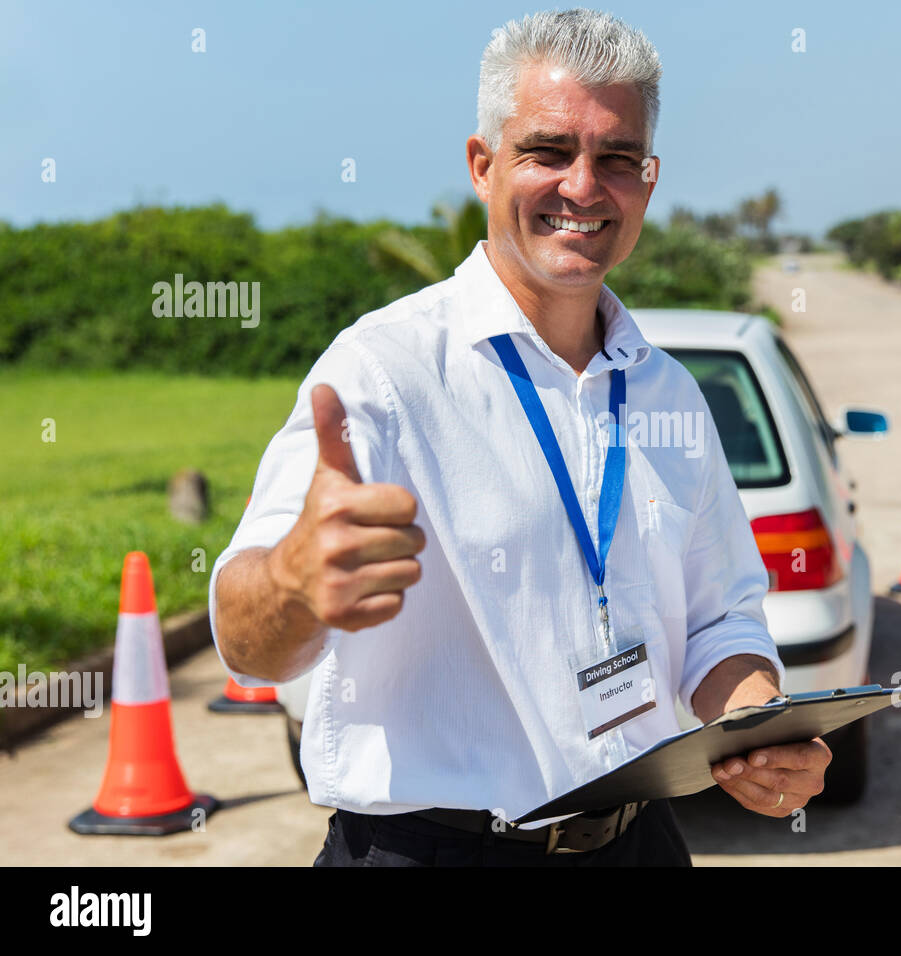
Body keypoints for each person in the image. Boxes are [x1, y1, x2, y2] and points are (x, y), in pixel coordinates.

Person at [209, 7, 831, 867]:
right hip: (430, 852)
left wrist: (758, 727)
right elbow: (245, 638)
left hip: (637, 842)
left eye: (616, 159)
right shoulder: (384, 372)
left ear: (647, 182)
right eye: (549, 150)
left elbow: (721, 616)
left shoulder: (667, 390)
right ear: (482, 164)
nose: (583, 186)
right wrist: (291, 580)